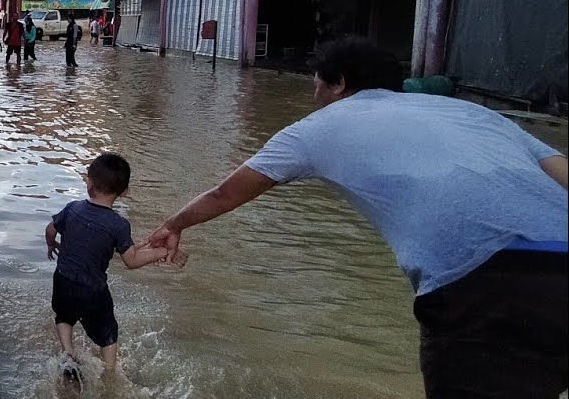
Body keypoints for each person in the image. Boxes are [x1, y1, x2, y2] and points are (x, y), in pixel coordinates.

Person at [144, 37, 568, 399]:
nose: (314, 94)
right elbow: (562, 174)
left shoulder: (318, 127)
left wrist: (173, 225)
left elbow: (225, 194)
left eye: (316, 82)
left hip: (484, 284)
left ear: (339, 83)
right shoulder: (474, 113)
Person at [46, 153, 187, 380]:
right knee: (107, 333)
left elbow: (50, 229)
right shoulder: (118, 225)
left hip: (63, 280)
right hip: (93, 291)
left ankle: (68, 352)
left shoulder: (72, 209)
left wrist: (52, 244)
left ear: (89, 182)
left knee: (63, 315)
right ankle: (110, 372)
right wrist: (162, 252)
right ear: (124, 192)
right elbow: (131, 260)